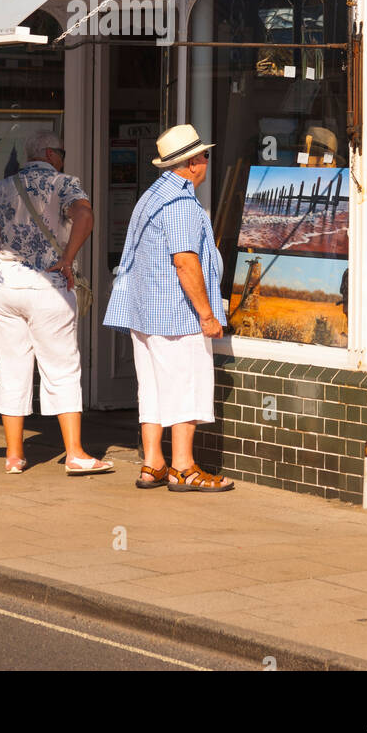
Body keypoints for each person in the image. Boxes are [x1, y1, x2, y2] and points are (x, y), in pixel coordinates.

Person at [0, 130, 113, 477]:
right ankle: (75, 454)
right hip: (47, 287)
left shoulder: (3, 187)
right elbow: (85, 217)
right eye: (60, 151)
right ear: (50, 154)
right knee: (61, 367)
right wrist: (67, 257)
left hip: (3, 287)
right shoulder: (65, 183)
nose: (63, 157)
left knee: (12, 367)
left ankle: (15, 456)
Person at [104, 124, 234, 492]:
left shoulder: (152, 196)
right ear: (192, 163)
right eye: (204, 156)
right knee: (187, 386)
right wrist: (207, 315)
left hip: (144, 311)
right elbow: (185, 263)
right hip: (176, 315)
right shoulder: (180, 204)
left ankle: (153, 464)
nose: (207, 162)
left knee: (153, 389)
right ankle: (183, 467)